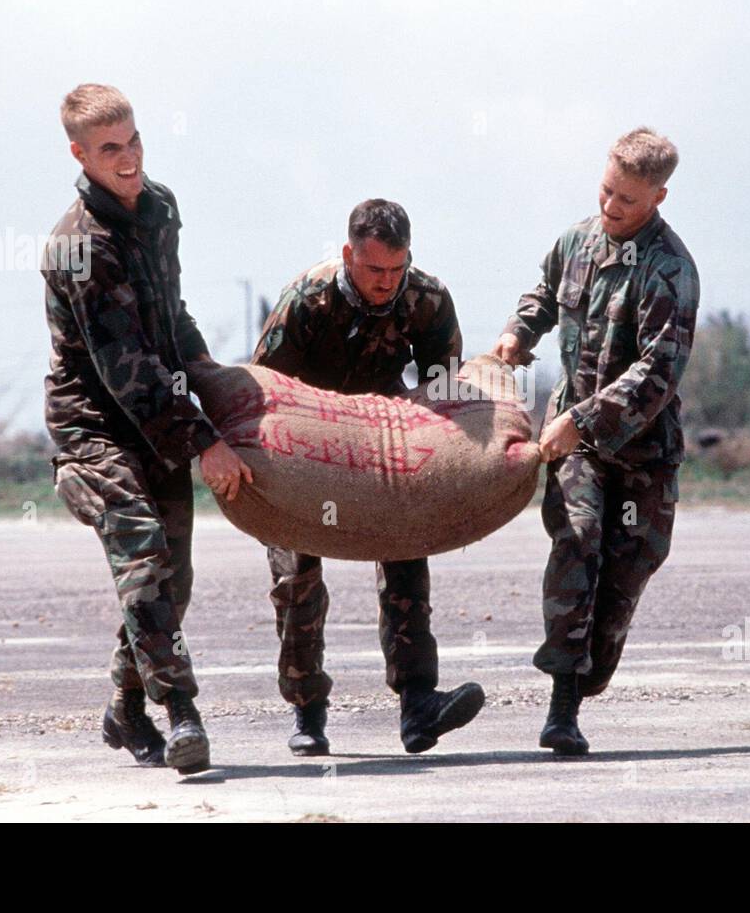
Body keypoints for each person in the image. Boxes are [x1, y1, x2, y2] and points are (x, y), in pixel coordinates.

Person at [41, 84, 251, 773]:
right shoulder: (79, 245)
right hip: (94, 424)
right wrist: (203, 440)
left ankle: (125, 708)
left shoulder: (159, 208)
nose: (128, 159)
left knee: (173, 579)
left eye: (133, 142)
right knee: (142, 553)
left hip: (157, 415)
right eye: (110, 150)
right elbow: (124, 368)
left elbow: (171, 315)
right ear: (79, 153)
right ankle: (180, 711)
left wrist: (216, 381)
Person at [492, 127, 699, 755]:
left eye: (627, 201)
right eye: (607, 192)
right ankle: (561, 707)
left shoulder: (672, 271)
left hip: (641, 450)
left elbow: (657, 373)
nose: (611, 208)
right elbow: (544, 293)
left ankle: (588, 674)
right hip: (576, 446)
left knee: (627, 572)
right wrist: (517, 332)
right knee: (578, 542)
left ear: (659, 197)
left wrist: (581, 418)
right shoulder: (575, 241)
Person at [251, 199, 485, 755]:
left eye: (396, 270)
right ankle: (308, 712)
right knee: (296, 580)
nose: (386, 283)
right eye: (374, 270)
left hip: (381, 441)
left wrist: (440, 468)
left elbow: (442, 394)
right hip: (305, 447)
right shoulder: (307, 301)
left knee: (408, 560)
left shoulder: (426, 300)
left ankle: (418, 706)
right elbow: (264, 394)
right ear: (347, 255)